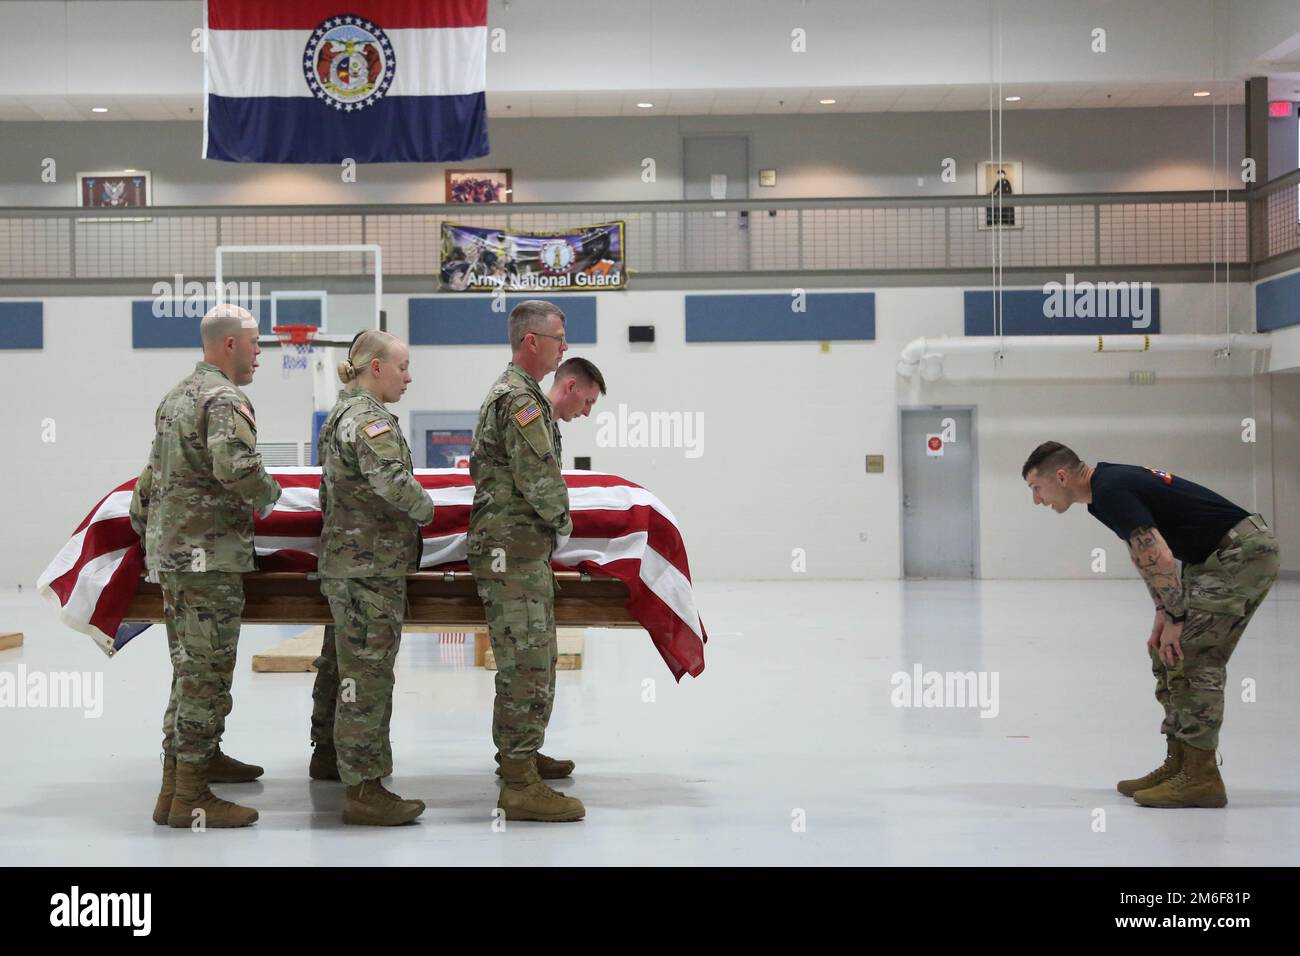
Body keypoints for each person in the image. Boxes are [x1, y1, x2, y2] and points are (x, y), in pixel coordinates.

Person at [1022, 442, 1280, 808]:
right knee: (1167, 653)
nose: (1037, 500)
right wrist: (1164, 611)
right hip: (1209, 559)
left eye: (1037, 488)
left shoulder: (1110, 490)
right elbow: (1146, 552)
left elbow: (1156, 552)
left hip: (1240, 554)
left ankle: (1201, 777)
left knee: (1193, 655)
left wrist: (1176, 617)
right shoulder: (1104, 491)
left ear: (1060, 476)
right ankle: (1179, 765)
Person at [128, 303, 281, 828]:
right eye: (256, 343)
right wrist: (272, 493)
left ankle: (174, 790)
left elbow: (147, 481)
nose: (261, 353)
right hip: (208, 557)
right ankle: (193, 796)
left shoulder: (175, 397)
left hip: (174, 557)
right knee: (206, 677)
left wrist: (149, 534)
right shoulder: (223, 398)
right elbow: (236, 468)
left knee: (188, 674)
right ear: (230, 344)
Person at [311, 331, 434, 825]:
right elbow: (392, 483)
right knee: (367, 677)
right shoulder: (367, 420)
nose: (409, 377)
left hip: (351, 565)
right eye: (402, 367)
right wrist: (430, 510)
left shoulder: (344, 413)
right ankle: (364, 790)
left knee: (342, 670)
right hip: (368, 568)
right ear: (375, 367)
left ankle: (329, 758)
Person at [468, 300, 585, 822]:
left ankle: (522, 754)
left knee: (534, 658)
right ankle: (517, 783)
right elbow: (539, 479)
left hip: (517, 549)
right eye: (560, 338)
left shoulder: (521, 395)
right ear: (532, 341)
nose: (566, 348)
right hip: (511, 552)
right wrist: (567, 524)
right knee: (525, 664)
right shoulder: (519, 400)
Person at [546, 356, 607, 466]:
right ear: (571, 387)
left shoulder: (550, 425)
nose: (587, 413)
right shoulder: (530, 417)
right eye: (588, 401)